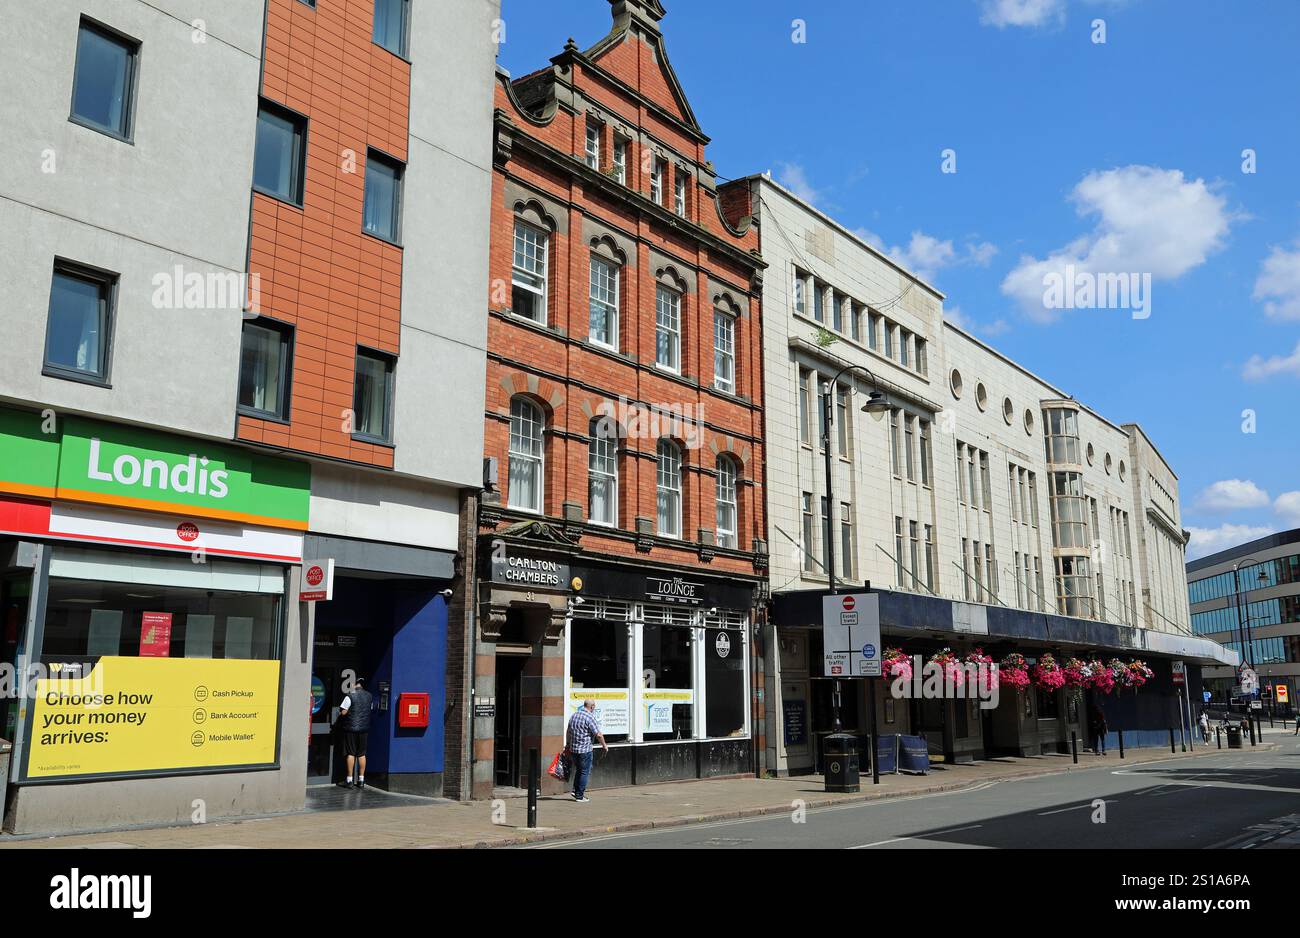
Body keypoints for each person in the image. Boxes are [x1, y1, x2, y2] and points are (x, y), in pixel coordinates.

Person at [564, 698, 608, 803]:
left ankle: (575, 791)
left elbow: (568, 731)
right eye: (594, 707)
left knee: (579, 770)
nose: (594, 708)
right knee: (584, 772)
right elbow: (598, 734)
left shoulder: (574, 715)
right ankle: (580, 795)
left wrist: (568, 744)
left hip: (574, 749)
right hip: (585, 750)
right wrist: (604, 746)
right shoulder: (589, 717)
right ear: (592, 706)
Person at [337, 677, 373, 789]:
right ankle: (361, 780)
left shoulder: (350, 696)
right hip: (364, 729)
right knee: (362, 754)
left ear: (353, 684)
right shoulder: (369, 696)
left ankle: (349, 780)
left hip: (351, 729)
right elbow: (369, 710)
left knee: (351, 753)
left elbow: (343, 712)